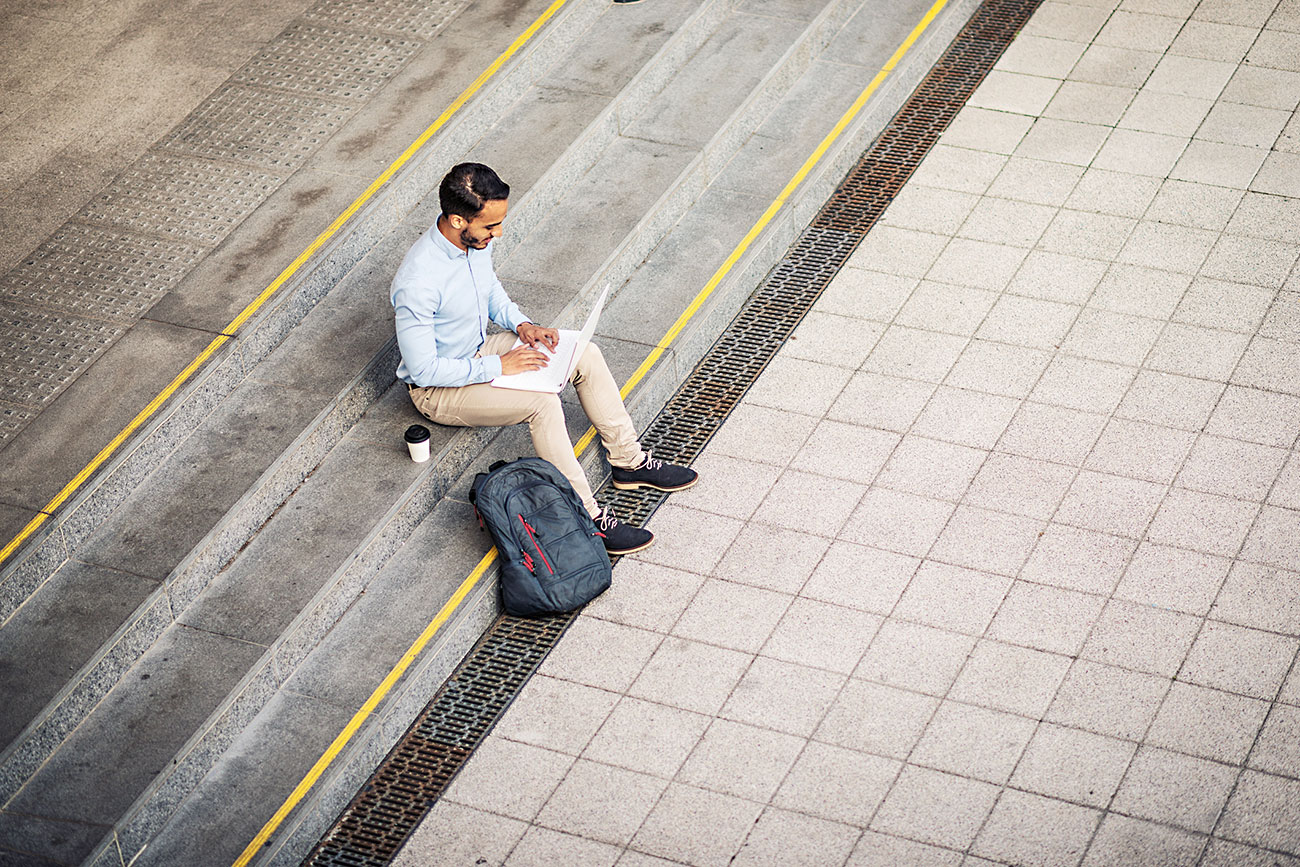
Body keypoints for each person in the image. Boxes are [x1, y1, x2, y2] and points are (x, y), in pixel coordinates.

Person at [391, 162, 697, 555]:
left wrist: (522, 326)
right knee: (542, 404)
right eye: (490, 227)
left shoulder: (471, 243)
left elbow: (490, 291)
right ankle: (587, 516)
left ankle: (629, 462)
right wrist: (498, 367)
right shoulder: (418, 282)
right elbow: (423, 369)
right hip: (440, 389)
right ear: (456, 220)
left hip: (478, 352)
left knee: (582, 352)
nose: (498, 233)